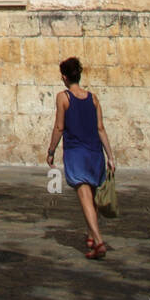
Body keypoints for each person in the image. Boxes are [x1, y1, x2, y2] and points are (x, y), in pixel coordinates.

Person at [47, 55, 115, 259]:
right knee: (92, 197)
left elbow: (59, 127)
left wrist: (51, 151)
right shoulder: (93, 98)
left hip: (76, 153)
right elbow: (100, 128)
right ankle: (90, 237)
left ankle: (99, 240)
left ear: (65, 77)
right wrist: (110, 156)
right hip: (95, 153)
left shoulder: (63, 97)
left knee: (85, 198)